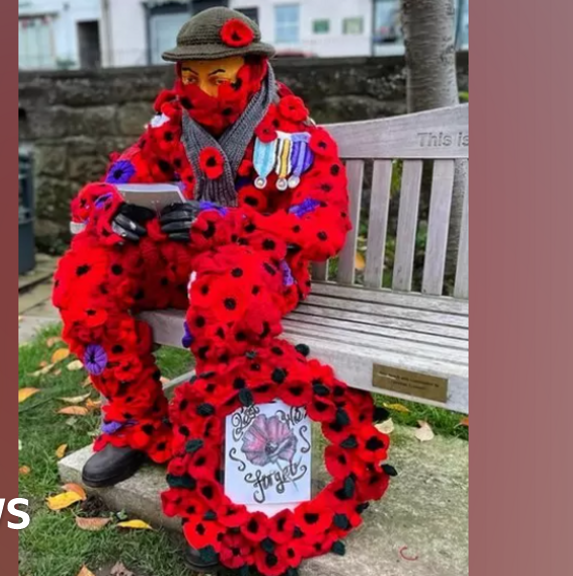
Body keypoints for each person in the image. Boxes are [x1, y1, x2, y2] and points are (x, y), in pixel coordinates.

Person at [51, 8, 351, 568]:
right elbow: (113, 183)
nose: (201, 89)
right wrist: (117, 211)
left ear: (255, 67)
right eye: (190, 76)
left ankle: (223, 464)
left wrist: (234, 224)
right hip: (177, 263)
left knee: (223, 289)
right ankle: (138, 420)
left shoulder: (300, 138)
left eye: (218, 76)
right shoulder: (168, 128)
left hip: (259, 271)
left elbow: (323, 229)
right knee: (85, 273)